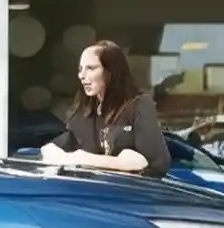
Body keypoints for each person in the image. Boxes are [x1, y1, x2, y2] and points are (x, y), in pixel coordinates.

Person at [41, 39, 171, 178]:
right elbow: (52, 148)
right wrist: (117, 162)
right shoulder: (84, 111)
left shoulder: (139, 105)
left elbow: (157, 163)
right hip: (92, 192)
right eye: (80, 69)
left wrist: (82, 159)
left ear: (110, 72)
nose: (82, 76)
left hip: (131, 193)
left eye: (90, 68)